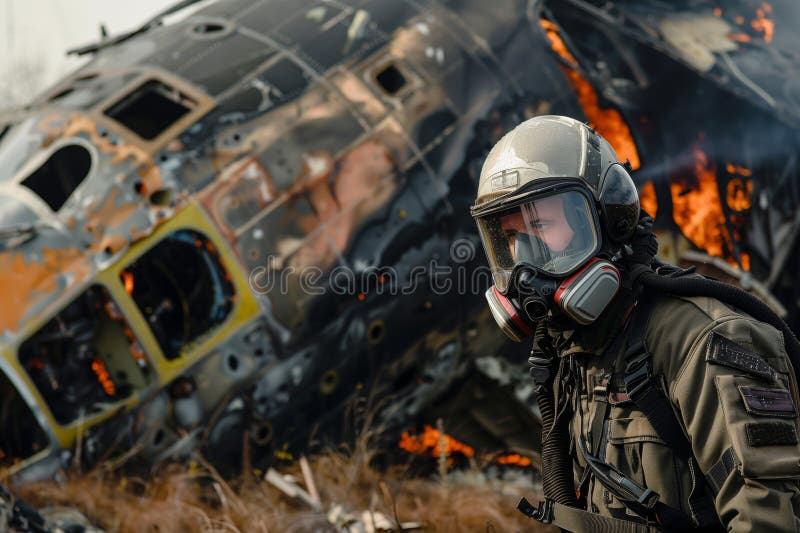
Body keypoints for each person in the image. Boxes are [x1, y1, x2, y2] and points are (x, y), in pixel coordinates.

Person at [470, 115, 800, 531]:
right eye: (511, 237)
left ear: (610, 218)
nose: (524, 261)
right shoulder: (578, 350)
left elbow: (767, 521)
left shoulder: (704, 344)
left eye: (540, 224)